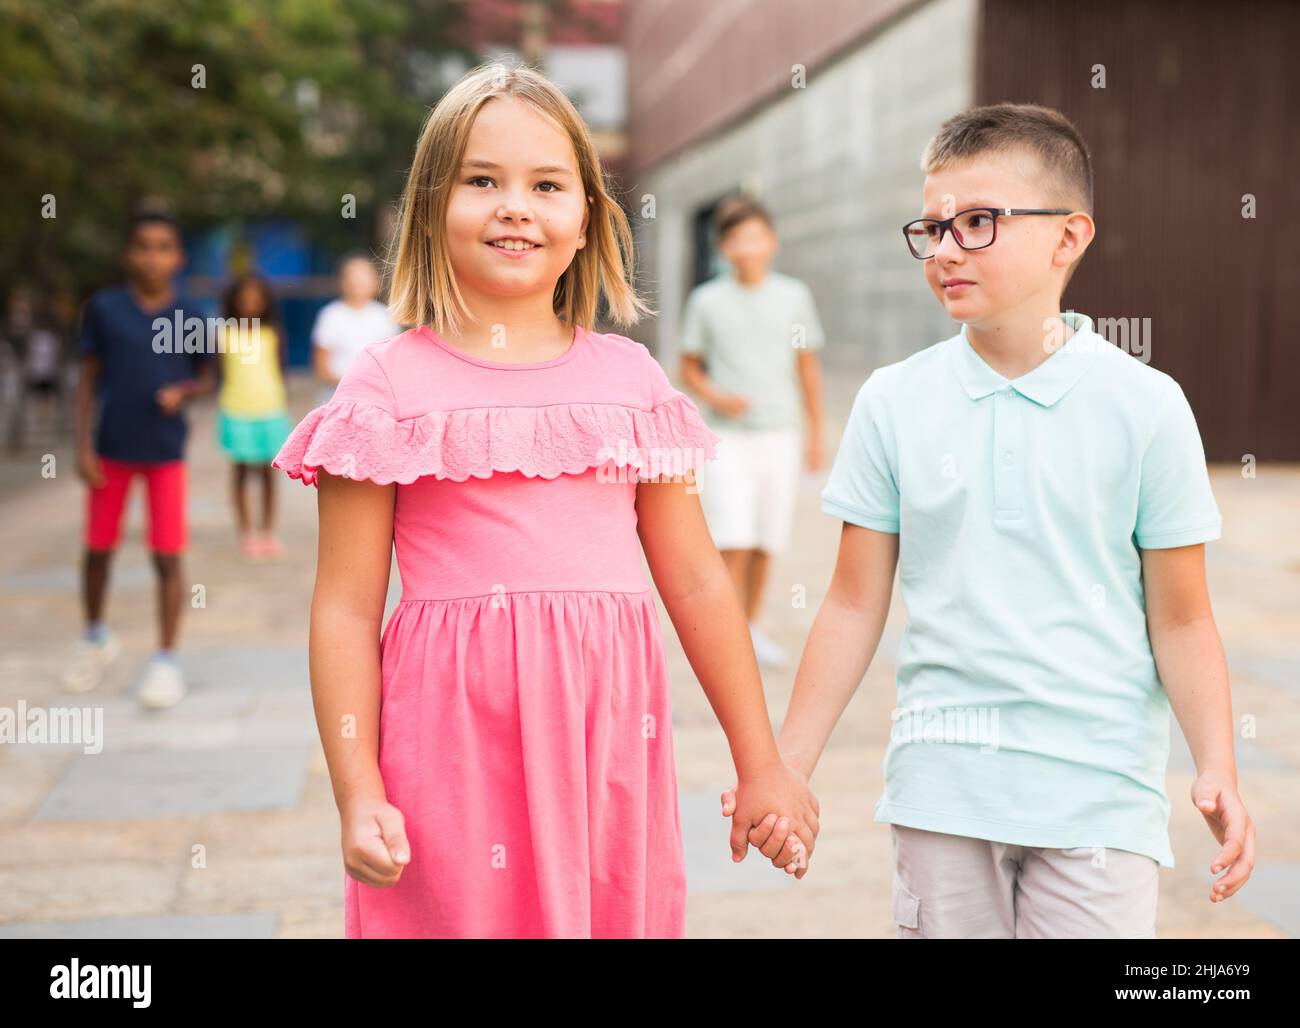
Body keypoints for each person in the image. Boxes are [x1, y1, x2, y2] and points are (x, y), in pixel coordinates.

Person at [270, 60, 820, 939]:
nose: (515, 205)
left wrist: (763, 763)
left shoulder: (633, 382)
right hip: (447, 749)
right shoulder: (385, 388)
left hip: (607, 738)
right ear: (429, 210)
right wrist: (357, 787)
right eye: (481, 180)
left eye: (547, 184)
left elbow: (699, 583)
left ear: (585, 222)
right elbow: (342, 607)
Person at [724, 102, 1255, 934]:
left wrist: (1217, 762)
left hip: (1099, 797)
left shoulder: (1147, 407)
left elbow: (1182, 619)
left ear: (1069, 237)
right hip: (942, 787)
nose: (944, 251)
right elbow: (853, 603)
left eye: (977, 223)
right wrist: (788, 764)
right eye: (931, 228)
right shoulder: (893, 402)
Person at [65, 210, 216, 708]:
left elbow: (209, 376)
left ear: (179, 257)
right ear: (128, 254)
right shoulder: (105, 310)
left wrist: (185, 390)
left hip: (164, 453)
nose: (153, 257)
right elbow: (87, 379)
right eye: (143, 247)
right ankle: (94, 635)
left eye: (163, 247)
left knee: (167, 555)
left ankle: (167, 660)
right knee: (98, 550)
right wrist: (82, 446)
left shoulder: (192, 314)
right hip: (110, 451)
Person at [679, 196, 825, 668]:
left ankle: (751, 627)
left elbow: (807, 366)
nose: (748, 246)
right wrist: (716, 396)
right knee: (733, 536)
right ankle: (726, 632)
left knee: (767, 540)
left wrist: (815, 432)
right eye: (737, 238)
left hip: (780, 435)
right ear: (723, 247)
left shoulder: (793, 296)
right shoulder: (706, 301)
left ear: (772, 242)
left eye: (757, 236)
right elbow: (689, 368)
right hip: (727, 438)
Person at [214, 271, 292, 558]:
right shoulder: (224, 333)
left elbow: (281, 372)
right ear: (233, 301)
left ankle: (267, 532)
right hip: (236, 410)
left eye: (256, 296)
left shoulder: (273, 334)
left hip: (270, 409)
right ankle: (246, 532)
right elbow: (215, 374)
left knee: (269, 474)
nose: (250, 301)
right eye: (244, 296)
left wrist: (283, 404)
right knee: (241, 472)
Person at [310, 253, 401, 407]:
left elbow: (394, 362)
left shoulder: (385, 316)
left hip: (377, 401)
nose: (357, 283)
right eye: (352, 277)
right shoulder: (331, 316)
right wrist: (353, 386)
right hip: (336, 398)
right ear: (342, 282)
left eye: (363, 277)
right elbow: (321, 366)